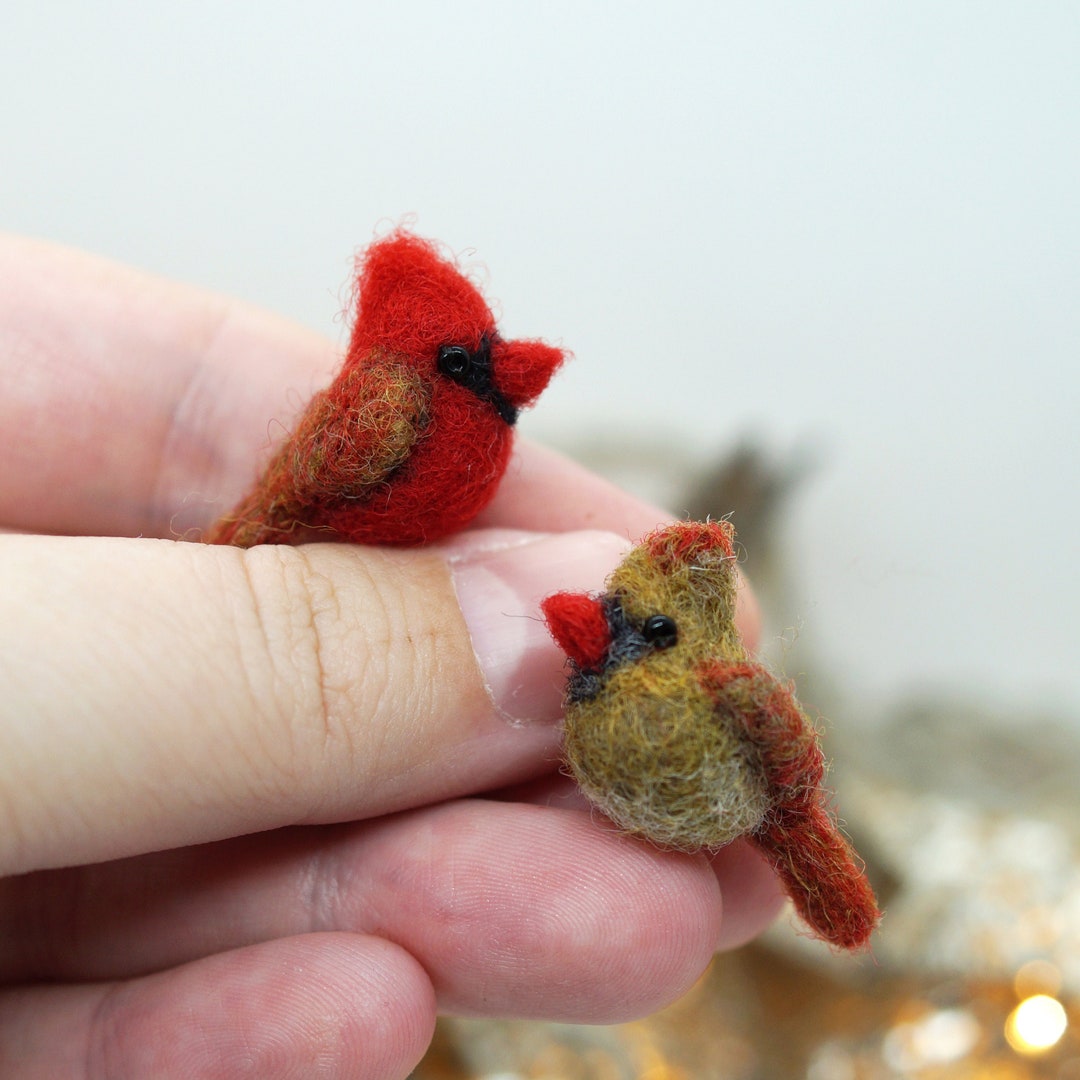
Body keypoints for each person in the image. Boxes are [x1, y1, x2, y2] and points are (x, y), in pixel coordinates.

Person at [0, 236, 784, 1079]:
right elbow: (295, 495)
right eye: (462, 362)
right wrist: (262, 604)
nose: (490, 375)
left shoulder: (474, 414)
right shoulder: (390, 401)